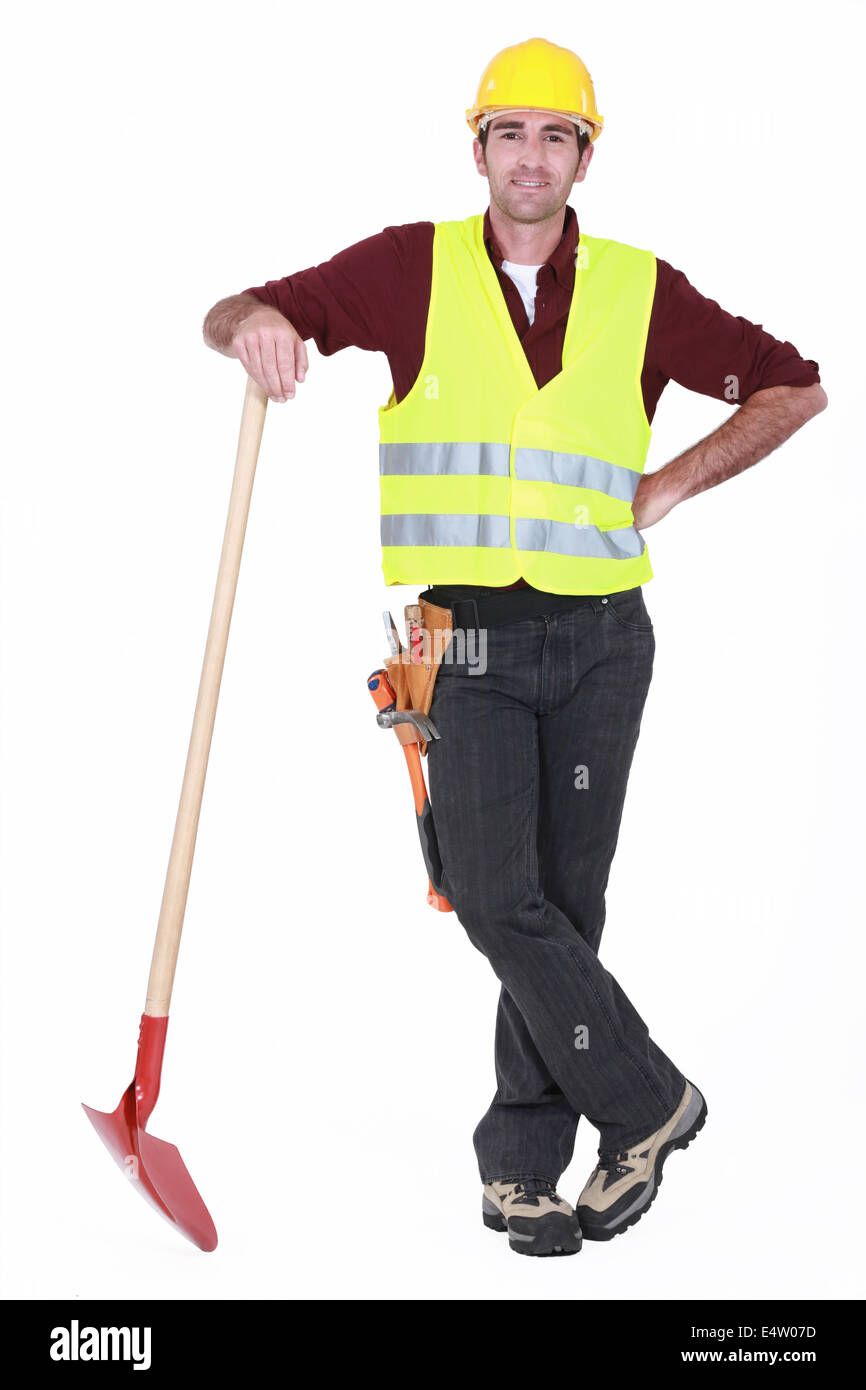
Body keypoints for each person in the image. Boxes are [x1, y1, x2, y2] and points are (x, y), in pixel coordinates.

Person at [203, 37, 827, 1257]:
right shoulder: (407, 270)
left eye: (555, 134)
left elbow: (789, 385)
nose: (530, 156)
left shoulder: (642, 289)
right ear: (476, 146)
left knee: (561, 911)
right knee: (495, 898)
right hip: (466, 649)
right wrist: (258, 326)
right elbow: (232, 308)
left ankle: (522, 1166)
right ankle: (648, 1104)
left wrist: (668, 484)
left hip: (601, 644)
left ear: (584, 155)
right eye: (509, 133)